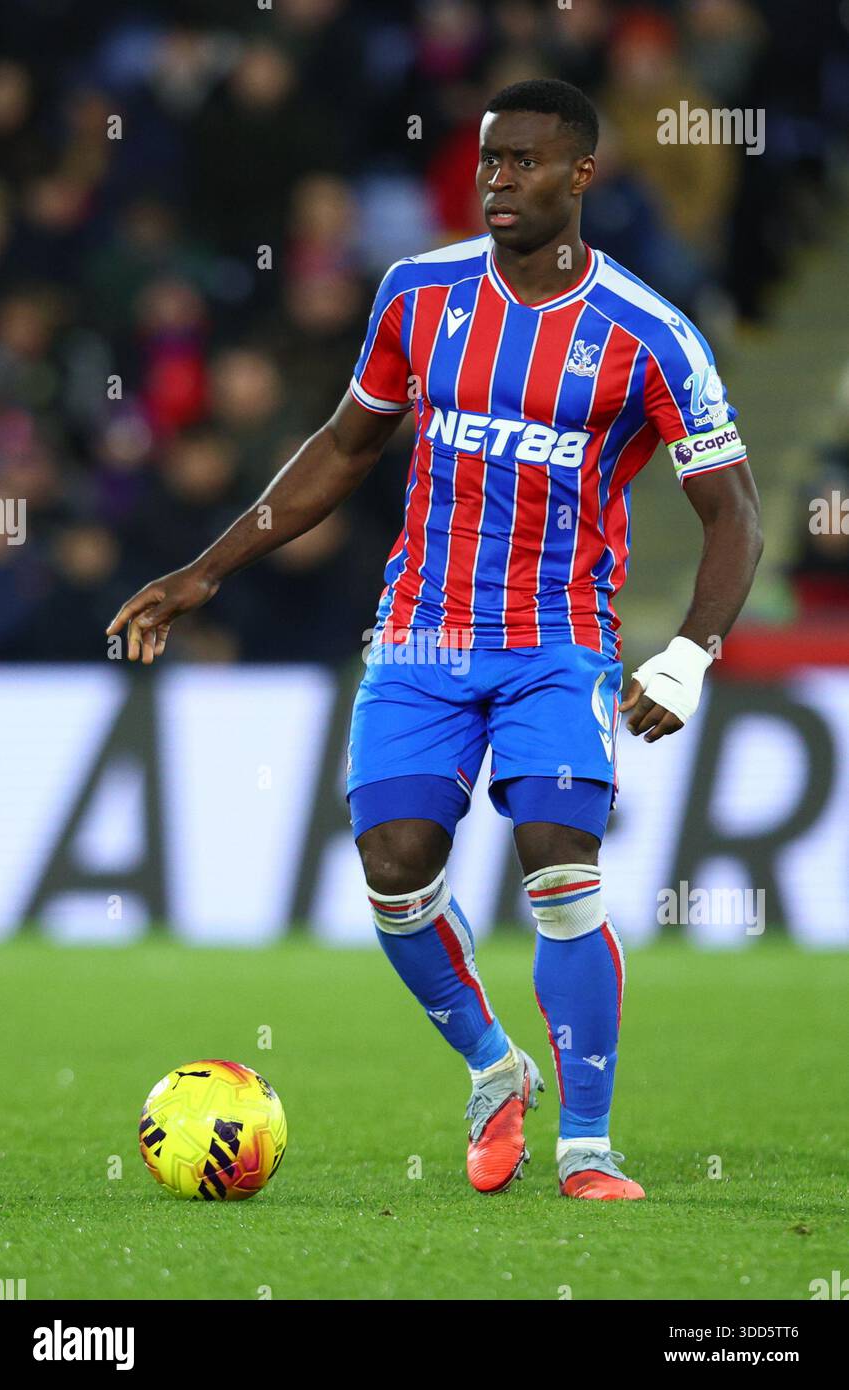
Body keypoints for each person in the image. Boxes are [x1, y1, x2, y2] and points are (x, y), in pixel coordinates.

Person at [107, 79, 763, 1201]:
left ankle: (587, 1147)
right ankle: (491, 1066)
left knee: (560, 865)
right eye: (488, 160)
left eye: (523, 163)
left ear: (580, 178)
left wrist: (690, 649)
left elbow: (734, 509)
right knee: (394, 869)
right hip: (418, 633)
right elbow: (345, 446)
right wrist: (204, 571)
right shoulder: (419, 294)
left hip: (557, 639)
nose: (497, 180)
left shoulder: (648, 334)